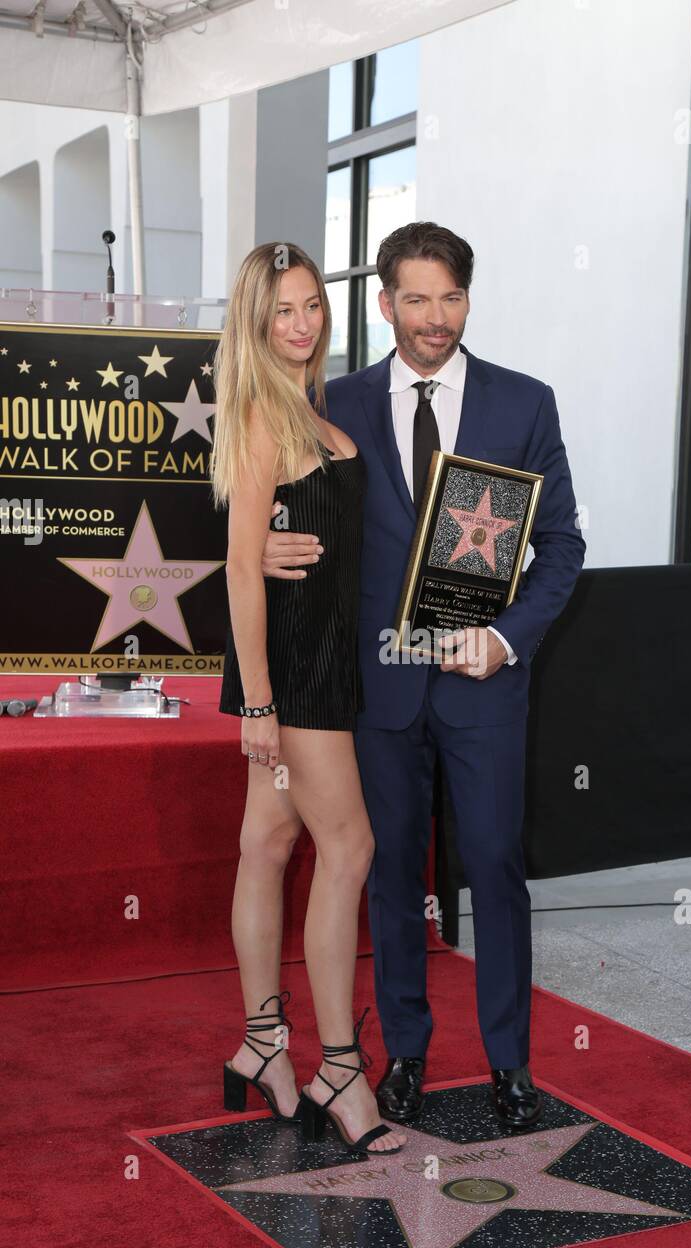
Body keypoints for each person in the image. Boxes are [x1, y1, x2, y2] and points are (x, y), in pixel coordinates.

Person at [260, 222, 586, 1128]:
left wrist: (507, 637)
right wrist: (258, 545)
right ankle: (402, 1053)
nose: (434, 318)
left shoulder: (525, 403)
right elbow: (277, 500)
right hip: (378, 686)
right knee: (393, 872)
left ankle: (511, 1064)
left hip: (484, 681)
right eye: (415, 298)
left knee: (493, 863)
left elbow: (562, 543)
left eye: (451, 298)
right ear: (384, 303)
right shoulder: (338, 400)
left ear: (468, 300)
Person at [210, 240, 407, 1155]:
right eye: (283, 310)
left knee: (269, 842)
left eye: (313, 305)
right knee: (350, 843)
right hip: (293, 670)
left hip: (319, 657)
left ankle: (260, 1047)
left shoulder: (312, 408)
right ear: (255, 322)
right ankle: (337, 1064)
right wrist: (257, 704)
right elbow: (240, 570)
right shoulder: (259, 413)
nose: (301, 324)